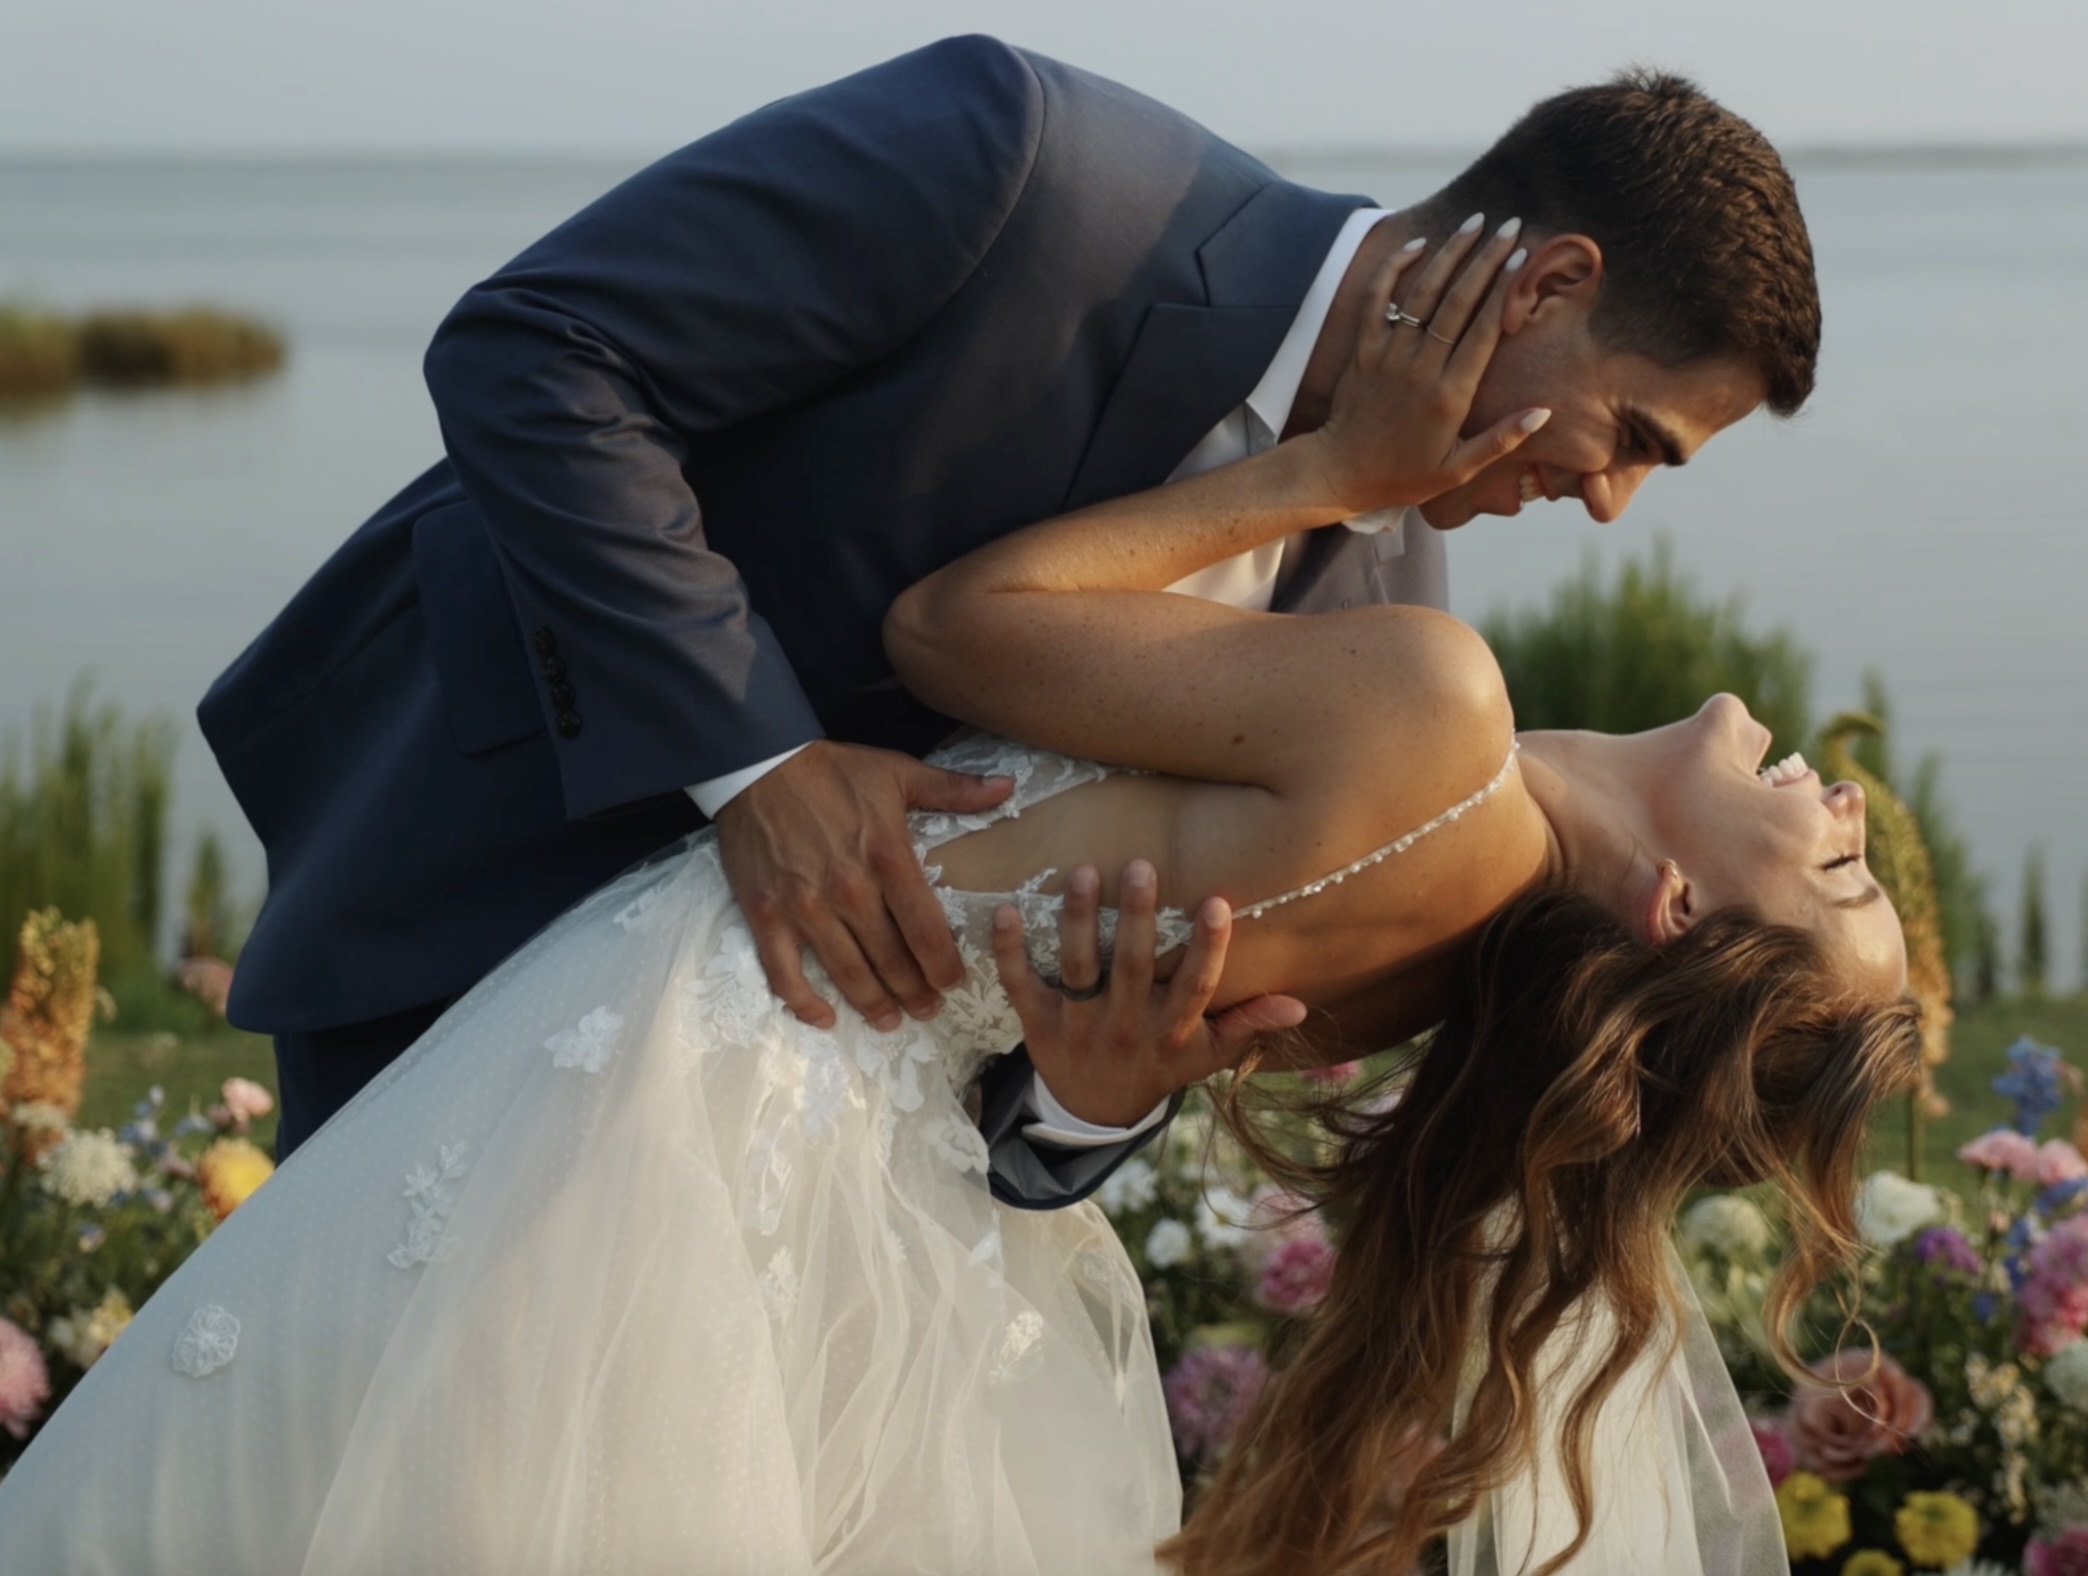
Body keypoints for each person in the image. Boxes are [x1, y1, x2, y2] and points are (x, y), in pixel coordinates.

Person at [0, 214, 1918, 1575]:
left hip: (702, 1064)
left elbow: (955, 626)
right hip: (872, 1202)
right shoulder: (1437, 961)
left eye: (1837, 865)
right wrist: (1086, 1102)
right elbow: (1074, 1055)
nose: (1842, 798)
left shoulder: (1438, 709)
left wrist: (1334, 471)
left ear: (1681, 918)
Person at [198, 34, 1831, 1225]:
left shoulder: (1382, 621)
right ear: (1546, 285)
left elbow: (1042, 1060)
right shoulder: (1028, 164)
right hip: (479, 873)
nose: (1607, 501)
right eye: (1634, 437)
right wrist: (756, 764)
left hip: (745, 1169)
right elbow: (537, 353)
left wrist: (1090, 1098)